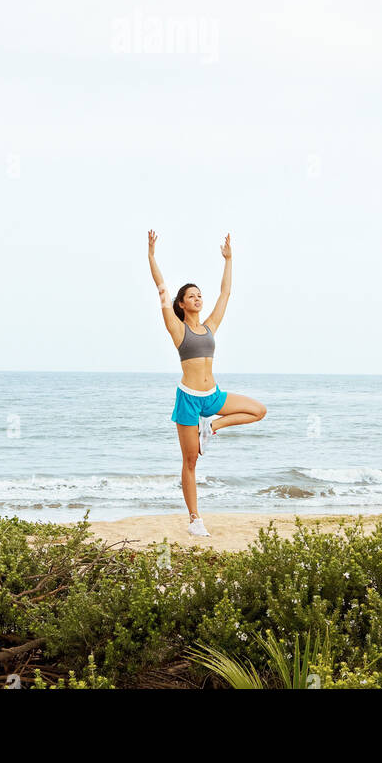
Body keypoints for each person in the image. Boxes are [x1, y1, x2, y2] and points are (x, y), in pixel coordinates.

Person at [147, 229, 266, 537]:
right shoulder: (177, 329)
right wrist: (151, 256)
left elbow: (226, 294)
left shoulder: (210, 327)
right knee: (190, 463)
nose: (198, 298)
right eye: (192, 296)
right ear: (182, 304)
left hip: (212, 396)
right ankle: (195, 519)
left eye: (200, 295)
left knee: (259, 410)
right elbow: (161, 289)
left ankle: (211, 427)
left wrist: (229, 259)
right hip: (188, 399)